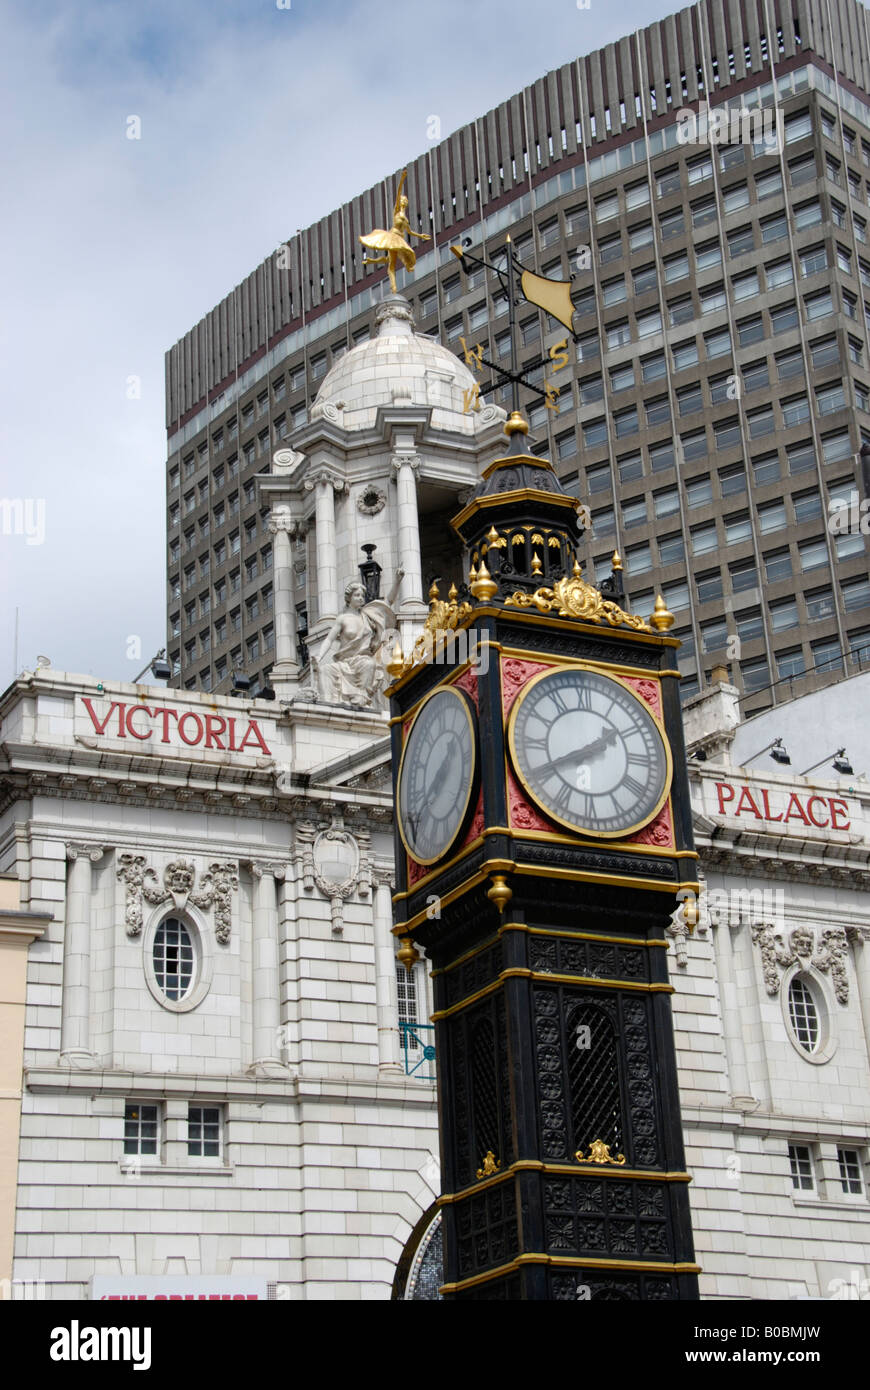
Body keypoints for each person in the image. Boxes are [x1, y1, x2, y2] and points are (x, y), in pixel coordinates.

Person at [313, 569, 404, 708]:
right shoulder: (342, 619)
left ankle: (362, 699)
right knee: (326, 670)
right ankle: (329, 708)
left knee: (369, 664)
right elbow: (329, 640)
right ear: (349, 598)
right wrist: (319, 656)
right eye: (357, 595)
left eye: (362, 595)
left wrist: (397, 581)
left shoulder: (368, 615)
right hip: (345, 662)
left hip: (363, 660)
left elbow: (388, 601)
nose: (361, 598)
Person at [359, 171, 430, 294]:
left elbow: (409, 231)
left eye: (405, 201)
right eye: (403, 200)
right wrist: (402, 180)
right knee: (391, 264)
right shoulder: (397, 211)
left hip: (400, 239)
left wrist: (420, 235)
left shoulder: (405, 218)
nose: (403, 202)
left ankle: (373, 261)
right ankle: (394, 288)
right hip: (393, 236)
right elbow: (398, 194)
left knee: (396, 259)